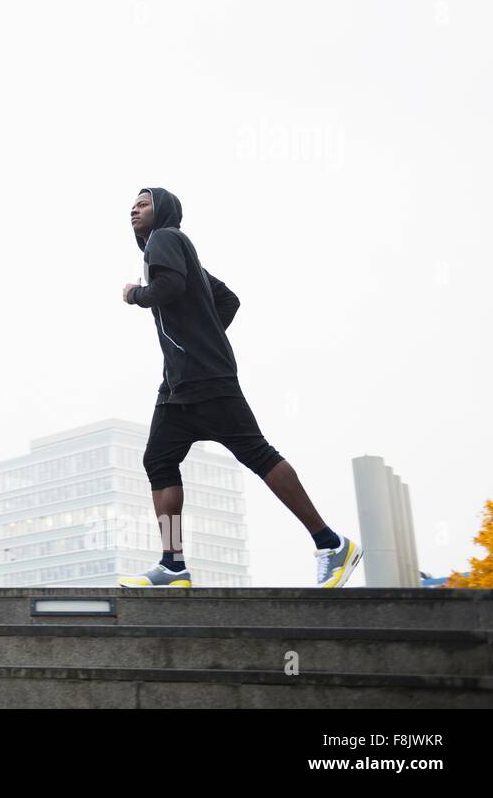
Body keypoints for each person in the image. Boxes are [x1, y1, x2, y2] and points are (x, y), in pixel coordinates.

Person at [117, 187, 361, 588]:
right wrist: (205, 335)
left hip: (206, 379)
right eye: (132, 204)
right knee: (158, 461)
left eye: (143, 203)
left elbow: (168, 289)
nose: (134, 208)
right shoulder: (183, 255)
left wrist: (134, 295)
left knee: (258, 455)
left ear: (162, 211)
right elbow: (228, 300)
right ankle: (172, 564)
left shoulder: (166, 238)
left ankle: (332, 544)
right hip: (178, 387)